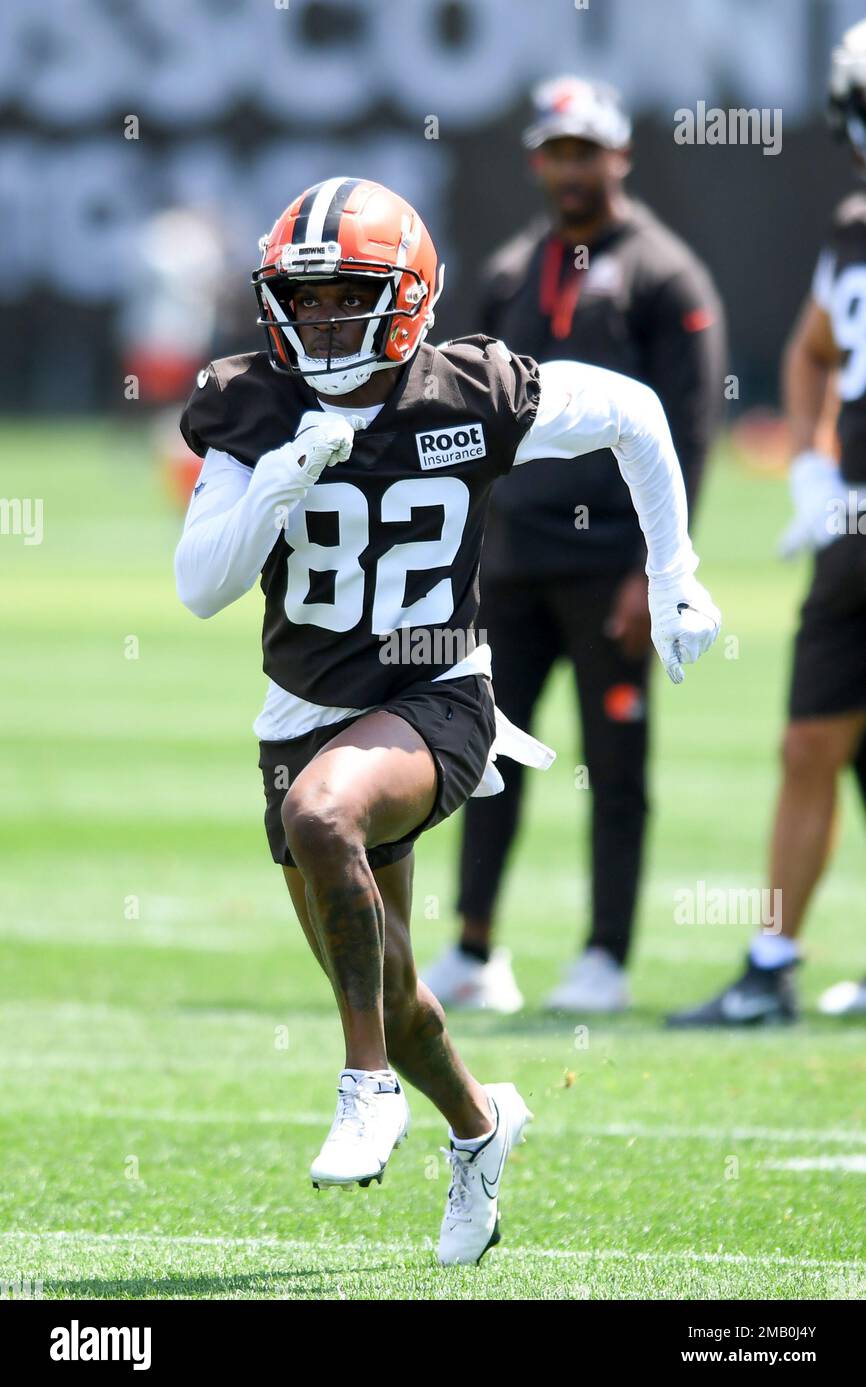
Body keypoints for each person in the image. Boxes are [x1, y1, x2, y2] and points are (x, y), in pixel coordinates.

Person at [174, 176, 720, 1261]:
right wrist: (279, 478)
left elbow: (634, 413)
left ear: (408, 297)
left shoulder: (468, 389)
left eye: (346, 297)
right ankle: (479, 1126)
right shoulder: (253, 407)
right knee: (392, 982)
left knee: (326, 820)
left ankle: (362, 1082)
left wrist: (673, 573)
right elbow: (200, 586)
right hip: (303, 714)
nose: (320, 320)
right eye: (305, 298)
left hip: (437, 694)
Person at [422, 77, 725, 1014]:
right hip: (513, 562)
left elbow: (689, 427)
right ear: (536, 160)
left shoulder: (664, 272)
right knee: (489, 753)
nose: (569, 168)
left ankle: (605, 956)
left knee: (616, 763)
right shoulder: (513, 269)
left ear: (619, 155)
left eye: (585, 150)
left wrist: (659, 565)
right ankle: (475, 948)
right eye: (556, 151)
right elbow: (471, 409)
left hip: (609, 571)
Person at [668, 20, 866, 1027]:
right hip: (852, 541)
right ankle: (770, 966)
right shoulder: (849, 227)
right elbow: (807, 353)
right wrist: (808, 469)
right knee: (806, 744)